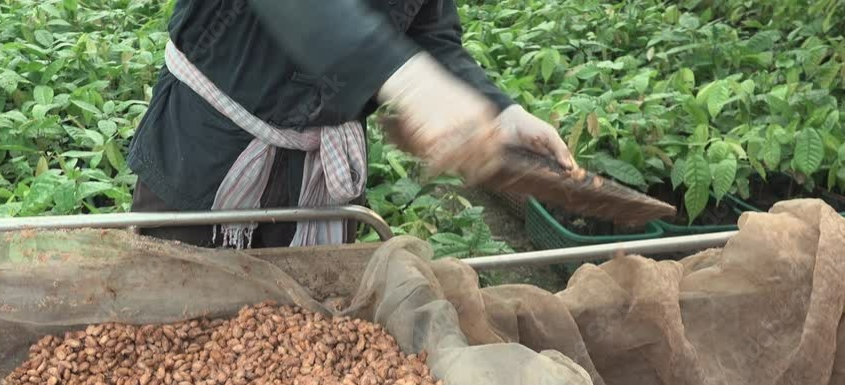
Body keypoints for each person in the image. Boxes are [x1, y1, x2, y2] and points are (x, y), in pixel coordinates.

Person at [127, 0, 575, 248]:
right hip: (209, 147)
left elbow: (427, 31)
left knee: (312, 332)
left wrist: (500, 109)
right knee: (174, 316)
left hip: (319, 166)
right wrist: (410, 82)